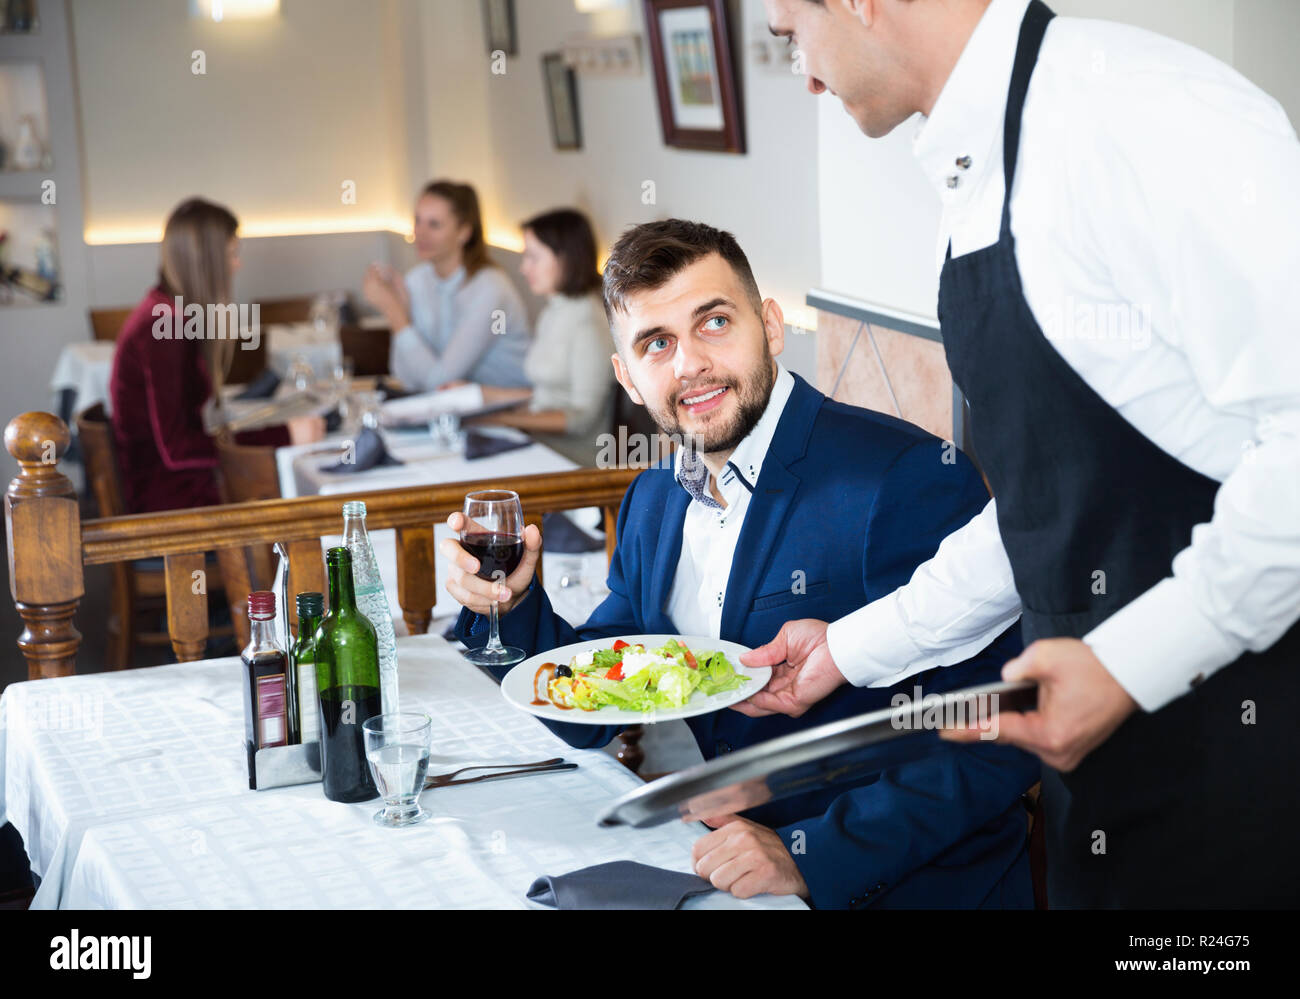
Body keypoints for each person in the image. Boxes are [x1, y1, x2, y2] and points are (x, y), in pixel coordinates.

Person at [748, 0, 1300, 907]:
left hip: (1246, 781)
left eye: (791, 32)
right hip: (1108, 801)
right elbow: (1052, 504)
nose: (804, 72)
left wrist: (1128, 662)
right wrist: (847, 648)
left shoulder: (1146, 110)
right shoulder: (972, 178)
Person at [442, 219, 1039, 909]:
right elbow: (601, 699)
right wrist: (513, 606)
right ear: (628, 378)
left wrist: (813, 855)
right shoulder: (653, 498)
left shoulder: (901, 479)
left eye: (714, 322)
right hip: (731, 872)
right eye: (656, 344)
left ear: (771, 327)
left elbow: (999, 727)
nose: (689, 363)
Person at [109, 198, 322, 514]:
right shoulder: (162, 327)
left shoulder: (165, 313)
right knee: (307, 505)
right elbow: (177, 450)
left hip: (175, 487)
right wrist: (285, 434)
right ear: (206, 262)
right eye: (232, 254)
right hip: (171, 503)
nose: (238, 265)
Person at [458, 208, 615, 466]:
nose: (523, 268)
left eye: (533, 258)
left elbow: (581, 419)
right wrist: (477, 394)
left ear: (566, 258)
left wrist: (503, 418)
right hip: (536, 447)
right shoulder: (553, 312)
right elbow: (544, 395)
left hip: (571, 461)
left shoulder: (589, 322)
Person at [363, 180, 531, 391]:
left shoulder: (491, 288)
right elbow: (405, 376)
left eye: (434, 224)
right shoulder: (417, 279)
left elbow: (440, 382)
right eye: (418, 220)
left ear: (464, 232)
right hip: (456, 409)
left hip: (510, 412)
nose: (420, 233)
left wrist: (395, 314)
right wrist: (403, 313)